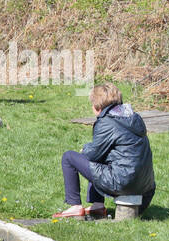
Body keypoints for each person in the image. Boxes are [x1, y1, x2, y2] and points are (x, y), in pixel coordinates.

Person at [53, 82, 156, 219]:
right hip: (145, 186)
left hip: (122, 182)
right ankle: (97, 205)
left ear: (97, 107)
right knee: (101, 158)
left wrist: (85, 149)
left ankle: (75, 206)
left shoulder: (106, 122)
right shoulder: (133, 117)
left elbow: (93, 154)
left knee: (69, 157)